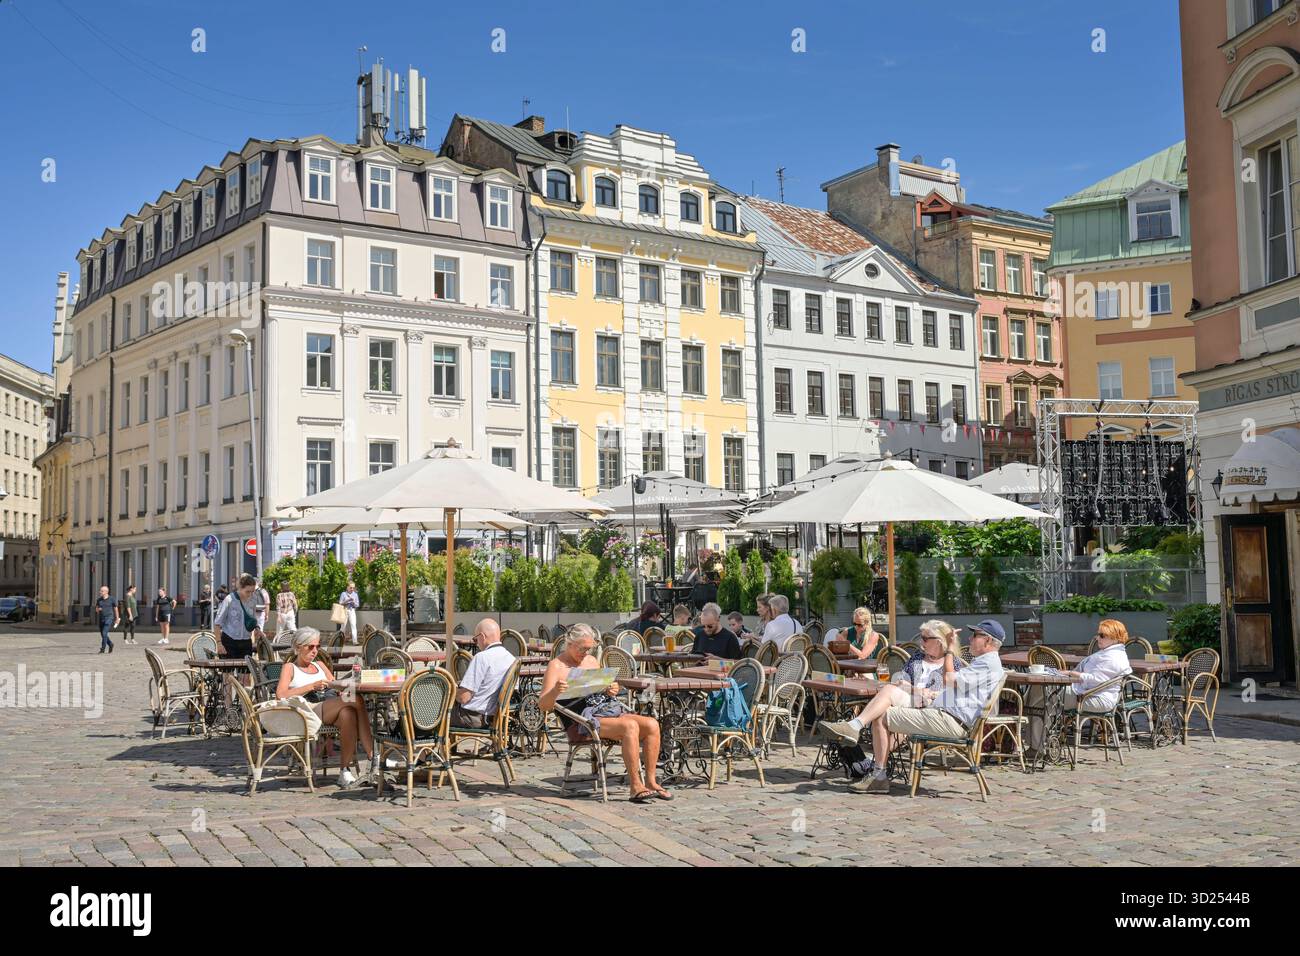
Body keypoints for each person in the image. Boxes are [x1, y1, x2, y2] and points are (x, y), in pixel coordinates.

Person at [818, 619, 1006, 793]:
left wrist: (949, 650)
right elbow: (955, 690)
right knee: (889, 695)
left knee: (882, 715)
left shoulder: (986, 664)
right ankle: (859, 739)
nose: (970, 639)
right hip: (940, 713)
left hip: (947, 719)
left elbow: (949, 680)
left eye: (975, 635)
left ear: (987, 640)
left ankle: (875, 770)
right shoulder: (984, 663)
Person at [539, 623, 670, 802]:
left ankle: (651, 781)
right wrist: (555, 691)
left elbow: (601, 688)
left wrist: (610, 688)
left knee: (652, 724)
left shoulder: (591, 661)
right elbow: (544, 705)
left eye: (589, 649)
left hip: (605, 710)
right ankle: (635, 786)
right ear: (570, 644)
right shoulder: (556, 666)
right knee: (629, 726)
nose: (586, 653)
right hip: (580, 721)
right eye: (582, 649)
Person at [841, 620, 964, 778]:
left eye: (925, 639)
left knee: (886, 705)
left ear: (939, 641)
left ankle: (869, 756)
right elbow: (901, 680)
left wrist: (921, 692)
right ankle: (875, 767)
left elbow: (946, 693)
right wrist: (917, 690)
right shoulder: (918, 657)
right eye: (921, 637)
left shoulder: (952, 663)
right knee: (885, 707)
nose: (921, 642)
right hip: (909, 700)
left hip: (931, 710)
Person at [276, 626, 374, 789]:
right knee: (356, 699)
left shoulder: (321, 665)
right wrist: (311, 686)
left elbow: (336, 687)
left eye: (318, 646)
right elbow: (280, 695)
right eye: (310, 647)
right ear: (298, 647)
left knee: (348, 713)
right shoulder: (290, 667)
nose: (315, 651)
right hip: (307, 709)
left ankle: (344, 772)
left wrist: (347, 684)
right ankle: (373, 757)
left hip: (328, 705)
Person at [451, 619, 517, 728]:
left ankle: (437, 743)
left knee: (437, 713)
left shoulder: (482, 657)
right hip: (497, 718)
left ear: (482, 636)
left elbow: (464, 697)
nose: (476, 643)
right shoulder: (511, 659)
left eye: (475, 639)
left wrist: (452, 690)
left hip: (473, 718)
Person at [1061, 618, 1133, 713]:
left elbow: (1095, 681)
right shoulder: (1108, 653)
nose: (1097, 638)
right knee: (1043, 694)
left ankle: (1042, 726)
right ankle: (1043, 726)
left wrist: (1072, 673)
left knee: (1046, 692)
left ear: (1115, 638)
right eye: (1098, 635)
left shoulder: (1114, 657)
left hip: (1097, 698)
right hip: (1089, 694)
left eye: (1102, 635)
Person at [213, 573, 264, 660]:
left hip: (246, 641)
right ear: (240, 588)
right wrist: (219, 643)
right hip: (229, 640)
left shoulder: (253, 599)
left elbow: (253, 618)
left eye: (252, 591)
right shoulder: (229, 599)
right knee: (228, 672)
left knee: (245, 672)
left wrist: (257, 628)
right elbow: (217, 623)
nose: (250, 594)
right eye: (247, 591)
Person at [94, 585, 119, 655]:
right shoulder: (99, 600)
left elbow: (116, 609)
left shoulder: (112, 599)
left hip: (109, 618)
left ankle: (102, 649)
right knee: (103, 635)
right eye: (100, 591)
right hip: (101, 619)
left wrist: (117, 618)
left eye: (101, 591)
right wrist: (98, 609)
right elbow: (96, 609)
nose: (100, 592)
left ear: (106, 592)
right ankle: (110, 644)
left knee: (105, 633)